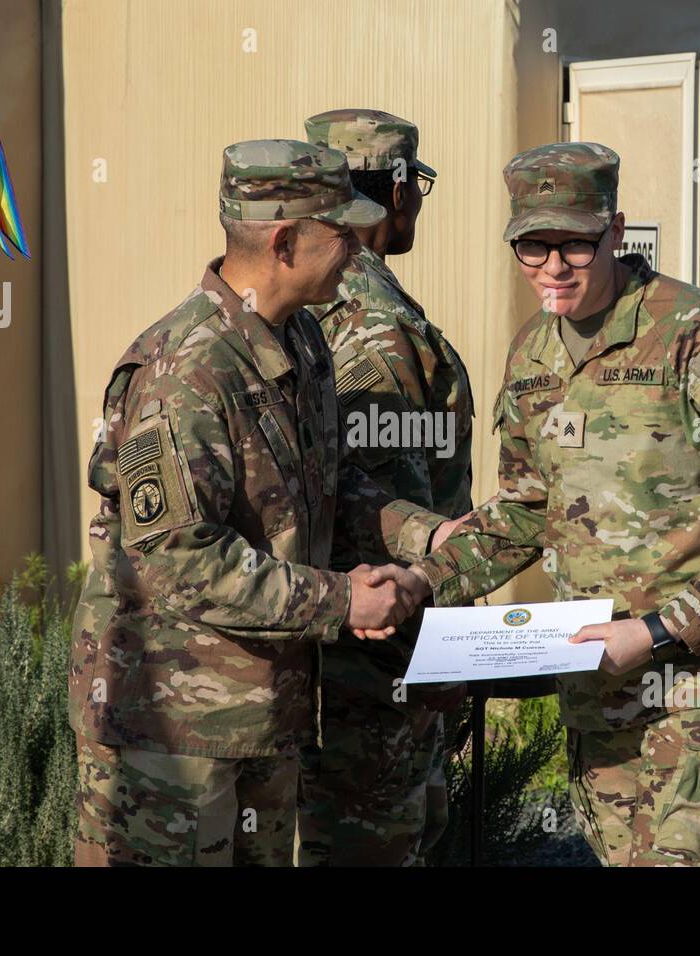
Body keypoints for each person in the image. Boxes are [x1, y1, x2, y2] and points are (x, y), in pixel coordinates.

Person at [371, 141, 700, 866]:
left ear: (614, 231)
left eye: (574, 244)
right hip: (597, 693)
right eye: (532, 247)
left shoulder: (696, 335)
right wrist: (426, 580)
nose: (553, 266)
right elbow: (523, 512)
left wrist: (658, 631)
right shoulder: (532, 356)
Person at [69, 139, 454, 867]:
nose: (357, 251)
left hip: (263, 719)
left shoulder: (302, 340)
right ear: (284, 242)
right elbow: (180, 561)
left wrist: (426, 538)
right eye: (342, 232)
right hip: (172, 739)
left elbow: (329, 491)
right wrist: (342, 603)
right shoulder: (185, 371)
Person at [297, 109, 520, 866]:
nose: (416, 202)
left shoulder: (314, 305)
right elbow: (384, 521)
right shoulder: (374, 324)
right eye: (415, 185)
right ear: (395, 191)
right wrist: (433, 659)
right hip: (378, 668)